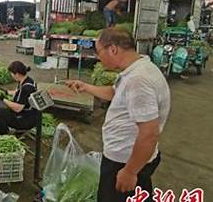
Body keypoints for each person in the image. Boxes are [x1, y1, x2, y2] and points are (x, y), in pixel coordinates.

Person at [66, 28, 170, 202]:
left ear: (113, 49)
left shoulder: (138, 81)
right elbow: (116, 93)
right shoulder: (139, 68)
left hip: (125, 161)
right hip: (129, 158)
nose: (98, 57)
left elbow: (149, 134)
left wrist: (130, 172)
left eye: (99, 52)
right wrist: (86, 87)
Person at [0, 61, 38, 135]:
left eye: (11, 73)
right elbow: (17, 92)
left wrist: (4, 99)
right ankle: (0, 127)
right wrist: (6, 92)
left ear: (17, 74)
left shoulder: (26, 88)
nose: (11, 75)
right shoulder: (26, 80)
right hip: (27, 114)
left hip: (25, 119)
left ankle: (3, 135)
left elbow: (18, 108)